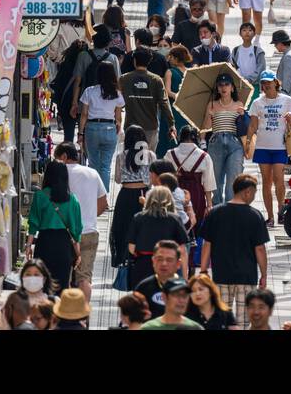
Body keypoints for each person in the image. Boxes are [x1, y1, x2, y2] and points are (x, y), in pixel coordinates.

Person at [197, 174, 270, 324]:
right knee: (243, 321)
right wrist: (264, 275)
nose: (253, 197)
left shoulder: (215, 213)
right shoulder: (255, 216)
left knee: (222, 320)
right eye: (254, 193)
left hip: (221, 275)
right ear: (247, 191)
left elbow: (207, 244)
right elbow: (260, 249)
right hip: (247, 277)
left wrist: (203, 271)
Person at [53, 143, 108, 301]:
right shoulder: (92, 173)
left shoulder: (59, 174)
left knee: (65, 276)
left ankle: (67, 315)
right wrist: (89, 216)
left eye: (57, 158)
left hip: (65, 233)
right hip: (89, 231)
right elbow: (104, 203)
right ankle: (83, 317)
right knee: (84, 278)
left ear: (63, 157)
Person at [247, 71, 291, 224]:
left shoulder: (287, 100)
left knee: (279, 179)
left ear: (276, 82)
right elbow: (253, 124)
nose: (266, 85)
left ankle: (281, 210)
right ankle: (270, 216)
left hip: (280, 146)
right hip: (262, 146)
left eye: (269, 82)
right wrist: (248, 142)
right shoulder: (257, 103)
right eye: (264, 82)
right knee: (266, 182)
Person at [27, 159, 82, 292]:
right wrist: (78, 253)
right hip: (63, 246)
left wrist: (28, 246)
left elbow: (33, 224)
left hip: (44, 243)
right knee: (62, 287)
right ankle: (58, 311)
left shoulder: (40, 196)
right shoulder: (72, 199)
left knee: (41, 286)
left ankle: (43, 311)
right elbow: (76, 230)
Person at [110, 125, 151, 274]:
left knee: (123, 228)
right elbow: (152, 178)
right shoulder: (150, 156)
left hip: (126, 194)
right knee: (144, 228)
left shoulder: (121, 156)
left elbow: (117, 179)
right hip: (144, 194)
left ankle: (123, 259)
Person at [127, 187, 189, 285]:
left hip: (143, 266)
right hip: (168, 264)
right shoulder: (174, 219)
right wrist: (185, 277)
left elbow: (131, 248)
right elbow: (183, 251)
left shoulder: (138, 218)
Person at [70, 28, 122, 145]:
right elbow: (118, 83)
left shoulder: (83, 56)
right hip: (107, 102)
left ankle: (85, 152)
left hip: (85, 100)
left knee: (85, 130)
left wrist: (74, 103)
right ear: (108, 42)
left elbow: (77, 81)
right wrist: (118, 105)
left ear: (93, 40)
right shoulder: (113, 58)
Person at [202, 74, 246, 205]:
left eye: (227, 84)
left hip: (234, 142)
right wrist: (209, 116)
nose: (224, 87)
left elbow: (244, 128)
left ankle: (231, 208)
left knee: (234, 178)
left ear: (232, 88)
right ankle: (216, 209)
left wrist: (243, 116)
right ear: (217, 88)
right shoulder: (212, 104)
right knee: (215, 179)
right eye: (220, 85)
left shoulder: (239, 104)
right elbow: (206, 128)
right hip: (216, 141)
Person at [119, 48, 177, 148]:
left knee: (131, 158)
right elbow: (164, 103)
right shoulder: (156, 80)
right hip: (150, 127)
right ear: (149, 62)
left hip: (130, 127)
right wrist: (171, 124)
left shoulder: (124, 79)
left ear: (134, 61)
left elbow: (118, 102)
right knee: (149, 159)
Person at [78, 62, 123, 179]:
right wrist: (117, 129)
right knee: (106, 166)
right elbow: (118, 118)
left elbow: (84, 114)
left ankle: (94, 194)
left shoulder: (89, 91)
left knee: (93, 164)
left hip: (92, 128)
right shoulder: (117, 94)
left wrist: (80, 133)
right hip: (109, 129)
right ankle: (104, 195)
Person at [168, 126, 215, 226]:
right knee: (195, 225)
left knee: (176, 226)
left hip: (176, 193)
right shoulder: (204, 156)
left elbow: (164, 176)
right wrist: (209, 205)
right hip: (197, 195)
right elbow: (208, 183)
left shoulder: (170, 154)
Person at [131, 239, 183, 318]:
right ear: (153, 261)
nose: (164, 263)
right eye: (160, 259)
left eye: (169, 260)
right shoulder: (143, 288)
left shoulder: (186, 290)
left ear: (178, 264)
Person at [139, 275, 203, 330]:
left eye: (185, 296)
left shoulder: (195, 328)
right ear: (164, 297)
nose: (181, 300)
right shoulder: (148, 328)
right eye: (176, 295)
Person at [231, 22, 268, 92]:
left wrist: (248, 80)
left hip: (254, 86)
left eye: (250, 30)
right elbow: (233, 66)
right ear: (240, 34)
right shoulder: (235, 51)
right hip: (239, 86)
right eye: (244, 30)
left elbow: (261, 69)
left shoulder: (258, 51)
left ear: (254, 34)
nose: (247, 32)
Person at [271, 29, 291, 94]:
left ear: (280, 43)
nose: (275, 46)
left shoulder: (289, 56)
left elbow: (287, 80)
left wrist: (283, 96)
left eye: (275, 44)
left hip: (289, 96)